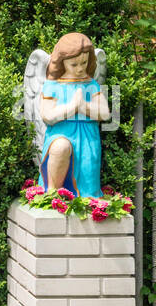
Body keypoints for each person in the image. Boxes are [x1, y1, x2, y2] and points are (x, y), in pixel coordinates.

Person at [38, 31, 109, 198]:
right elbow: (47, 115)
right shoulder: (52, 85)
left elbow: (105, 113)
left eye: (84, 63)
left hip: (88, 138)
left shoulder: (90, 84)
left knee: (87, 170)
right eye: (74, 65)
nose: (80, 69)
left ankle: (86, 200)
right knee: (60, 148)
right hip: (61, 133)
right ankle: (53, 195)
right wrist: (72, 106)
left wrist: (83, 106)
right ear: (62, 62)